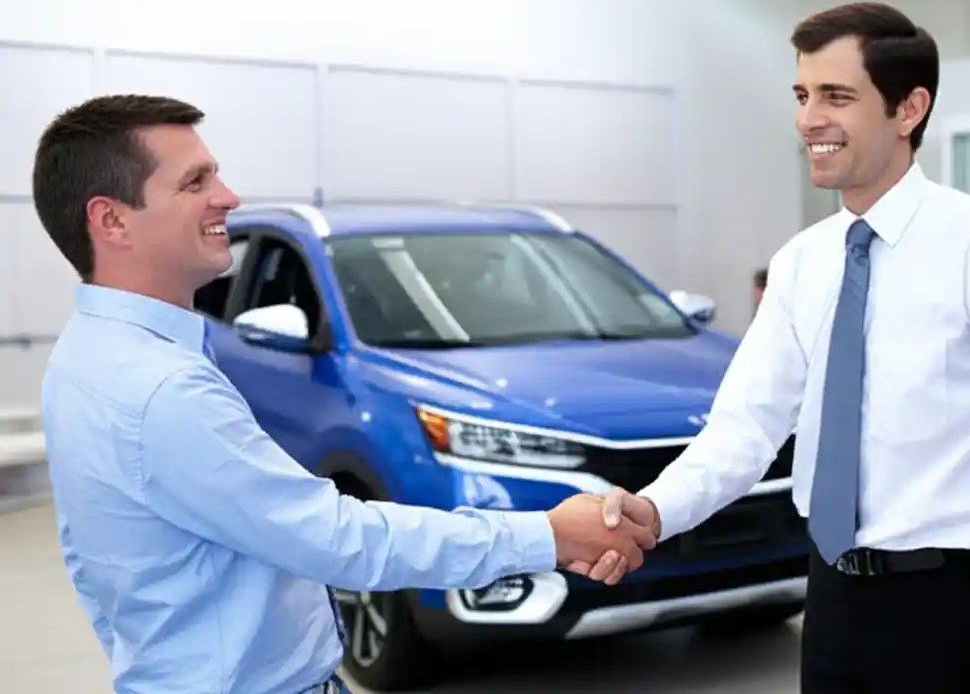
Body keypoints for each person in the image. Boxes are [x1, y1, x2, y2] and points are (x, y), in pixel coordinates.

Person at [32, 94, 654, 694]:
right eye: (195, 183)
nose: (228, 197)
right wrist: (548, 535)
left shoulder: (82, 357)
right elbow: (339, 540)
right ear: (111, 219)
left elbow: (88, 556)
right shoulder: (163, 389)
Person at [590, 2, 970, 694]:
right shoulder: (801, 263)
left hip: (960, 603)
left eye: (836, 96)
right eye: (802, 95)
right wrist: (656, 510)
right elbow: (746, 427)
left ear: (909, 110)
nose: (809, 118)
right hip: (834, 599)